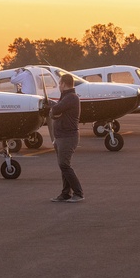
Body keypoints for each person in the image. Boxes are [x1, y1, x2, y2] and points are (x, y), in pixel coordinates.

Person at [49, 73, 84, 203]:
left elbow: (56, 110)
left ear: (63, 84)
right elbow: (55, 112)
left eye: (59, 83)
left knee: (64, 164)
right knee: (63, 165)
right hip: (62, 137)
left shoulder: (71, 98)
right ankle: (65, 193)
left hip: (68, 137)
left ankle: (78, 193)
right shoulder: (66, 97)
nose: (59, 86)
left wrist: (51, 109)